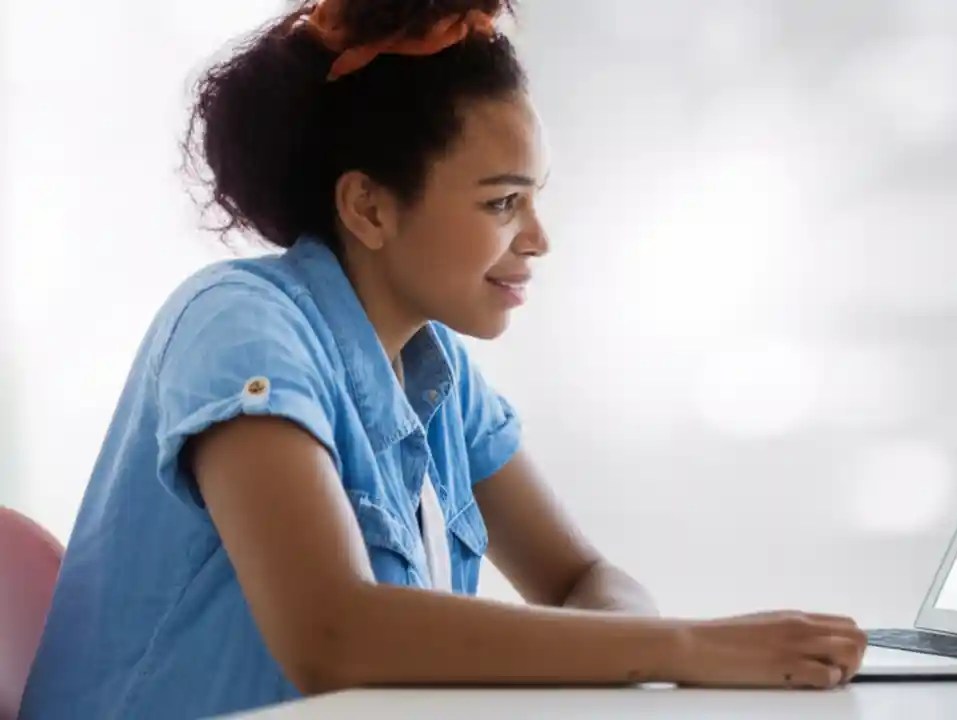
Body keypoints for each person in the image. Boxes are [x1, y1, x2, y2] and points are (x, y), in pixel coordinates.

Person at [19, 1, 867, 717]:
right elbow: (332, 636)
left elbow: (580, 576)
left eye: (535, 199)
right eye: (502, 202)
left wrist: (653, 649)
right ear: (369, 207)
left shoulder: (439, 374)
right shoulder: (238, 326)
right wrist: (684, 648)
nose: (537, 239)